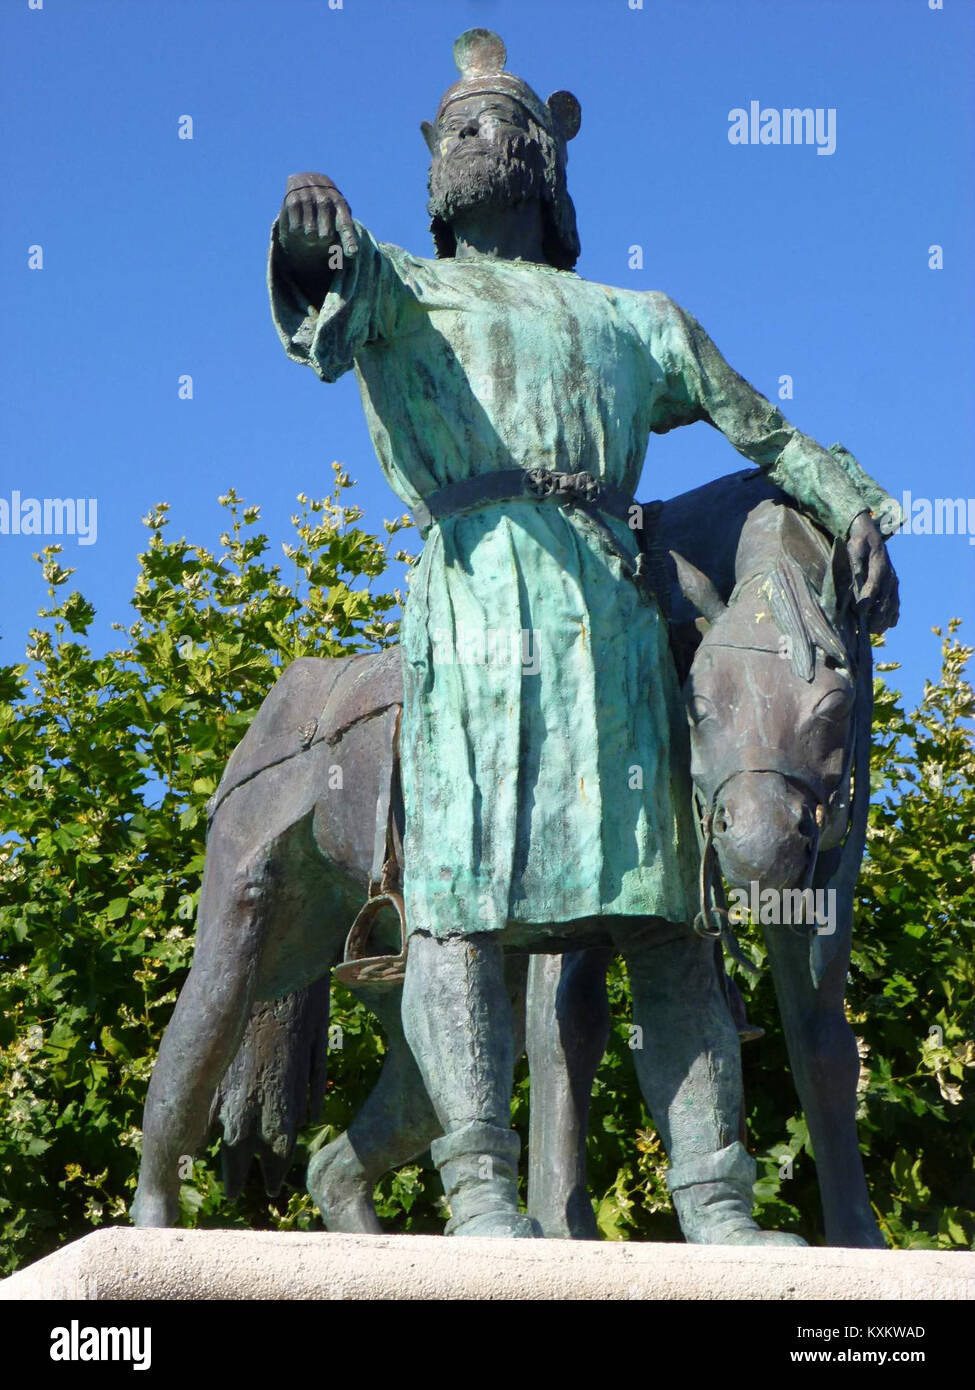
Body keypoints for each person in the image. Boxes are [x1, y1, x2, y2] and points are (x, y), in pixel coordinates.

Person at [269, 28, 898, 1240]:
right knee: (460, 906)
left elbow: (762, 431)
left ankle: (717, 1201)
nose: (473, 141)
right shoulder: (405, 287)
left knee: (667, 917)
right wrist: (307, 235)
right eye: (453, 130)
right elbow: (325, 300)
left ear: (547, 164)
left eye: (497, 126)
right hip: (477, 610)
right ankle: (479, 1192)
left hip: (610, 630)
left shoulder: (637, 316)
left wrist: (846, 501)